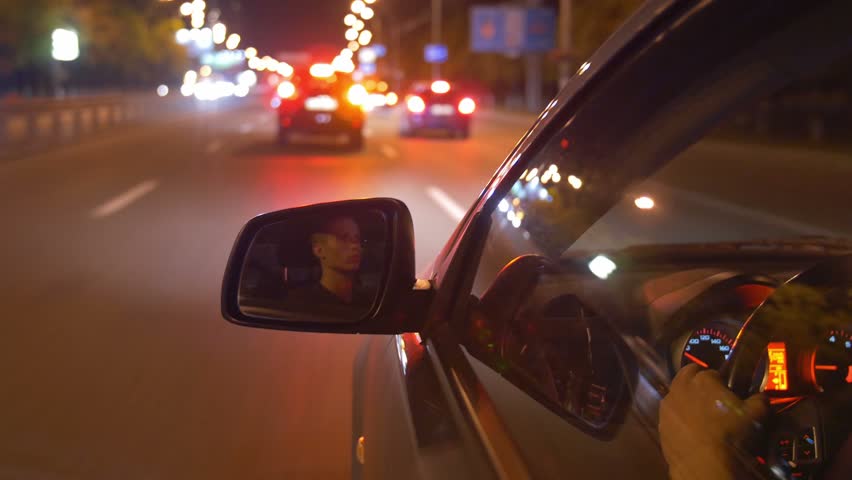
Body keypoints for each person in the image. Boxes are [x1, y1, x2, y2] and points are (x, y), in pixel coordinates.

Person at [286, 215, 372, 312]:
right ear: (319, 250)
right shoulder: (302, 302)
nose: (355, 245)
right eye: (343, 238)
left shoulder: (371, 299)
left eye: (357, 239)